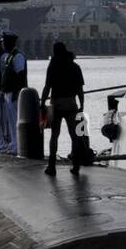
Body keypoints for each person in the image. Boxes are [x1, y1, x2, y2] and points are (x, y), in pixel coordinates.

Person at [40, 41, 85, 175]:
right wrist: (82, 105)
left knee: (54, 135)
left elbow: (47, 87)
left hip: (57, 104)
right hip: (71, 104)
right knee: (75, 136)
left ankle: (51, 166)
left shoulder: (53, 66)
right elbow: (79, 90)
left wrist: (42, 103)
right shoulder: (75, 66)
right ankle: (76, 165)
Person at [0, 29, 28, 155]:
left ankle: (17, 145)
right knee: (11, 121)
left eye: (4, 42)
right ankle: (13, 143)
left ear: (10, 42)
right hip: (7, 93)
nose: (3, 44)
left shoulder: (18, 56)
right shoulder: (9, 56)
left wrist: (17, 93)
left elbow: (20, 76)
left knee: (16, 119)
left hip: (14, 93)